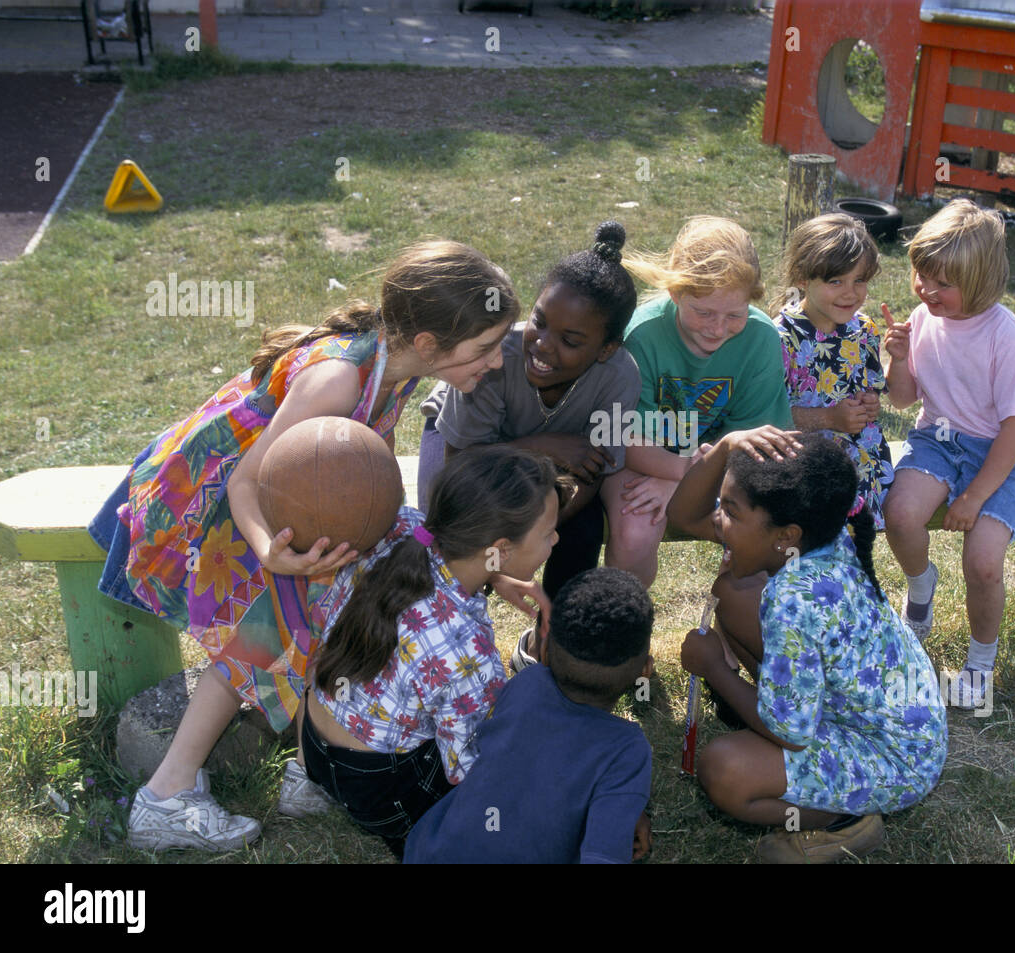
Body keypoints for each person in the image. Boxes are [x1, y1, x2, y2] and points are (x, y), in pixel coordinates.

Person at [90, 239, 538, 851]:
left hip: (281, 502)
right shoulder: (337, 380)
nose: (493, 363)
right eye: (484, 349)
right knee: (261, 635)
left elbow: (355, 485)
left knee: (325, 603)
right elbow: (248, 480)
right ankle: (166, 798)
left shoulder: (398, 366)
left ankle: (307, 770)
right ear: (430, 342)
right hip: (217, 500)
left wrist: (480, 565)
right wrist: (270, 553)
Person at [669, 428, 946, 864]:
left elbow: (791, 735)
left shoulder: (792, 599)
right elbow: (683, 516)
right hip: (901, 723)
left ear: (785, 536)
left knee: (723, 770)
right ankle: (785, 711)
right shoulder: (820, 535)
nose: (719, 521)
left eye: (732, 513)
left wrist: (715, 670)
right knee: (735, 594)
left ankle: (841, 821)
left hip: (895, 760)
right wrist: (725, 446)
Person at [304, 446, 568, 859]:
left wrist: (494, 573)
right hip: (377, 791)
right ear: (500, 545)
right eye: (548, 531)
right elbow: (472, 771)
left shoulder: (400, 529)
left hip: (316, 746)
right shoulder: (466, 650)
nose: (557, 539)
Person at [417, 222, 640, 661]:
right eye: (539, 321)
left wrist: (546, 524)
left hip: (544, 477)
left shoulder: (620, 377)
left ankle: (549, 644)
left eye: (571, 340)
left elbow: (593, 477)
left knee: (582, 529)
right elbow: (461, 464)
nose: (544, 344)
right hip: (459, 447)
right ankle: (438, 646)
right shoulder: (498, 356)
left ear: (606, 349)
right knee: (450, 529)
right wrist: (543, 445)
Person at [881, 198, 1015, 709]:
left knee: (984, 562)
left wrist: (973, 497)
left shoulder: (1008, 338)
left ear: (981, 281)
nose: (927, 290)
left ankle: (979, 663)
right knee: (899, 515)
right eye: (921, 275)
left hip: (998, 453)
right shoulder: (924, 318)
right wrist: (900, 360)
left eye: (942, 283)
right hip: (938, 438)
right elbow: (904, 401)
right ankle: (920, 587)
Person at [404, 567, 653, 864]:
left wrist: (620, 805)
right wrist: (619, 810)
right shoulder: (628, 749)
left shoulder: (528, 683)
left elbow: (523, 769)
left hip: (430, 850)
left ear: (544, 652)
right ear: (644, 672)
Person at [606, 216, 793, 588]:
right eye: (704, 312)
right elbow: (621, 438)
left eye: (734, 314)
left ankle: (742, 633)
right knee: (634, 532)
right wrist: (685, 476)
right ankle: (625, 628)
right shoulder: (641, 336)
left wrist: (689, 484)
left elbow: (758, 447)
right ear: (675, 294)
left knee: (770, 529)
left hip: (723, 468)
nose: (718, 328)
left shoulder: (760, 339)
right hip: (646, 458)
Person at [774, 212, 892, 535]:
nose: (850, 293)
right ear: (802, 278)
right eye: (835, 281)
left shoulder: (864, 329)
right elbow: (770, 417)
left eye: (860, 281)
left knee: (850, 549)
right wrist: (830, 419)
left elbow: (872, 391)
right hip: (801, 463)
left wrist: (870, 406)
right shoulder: (782, 340)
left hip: (857, 464)